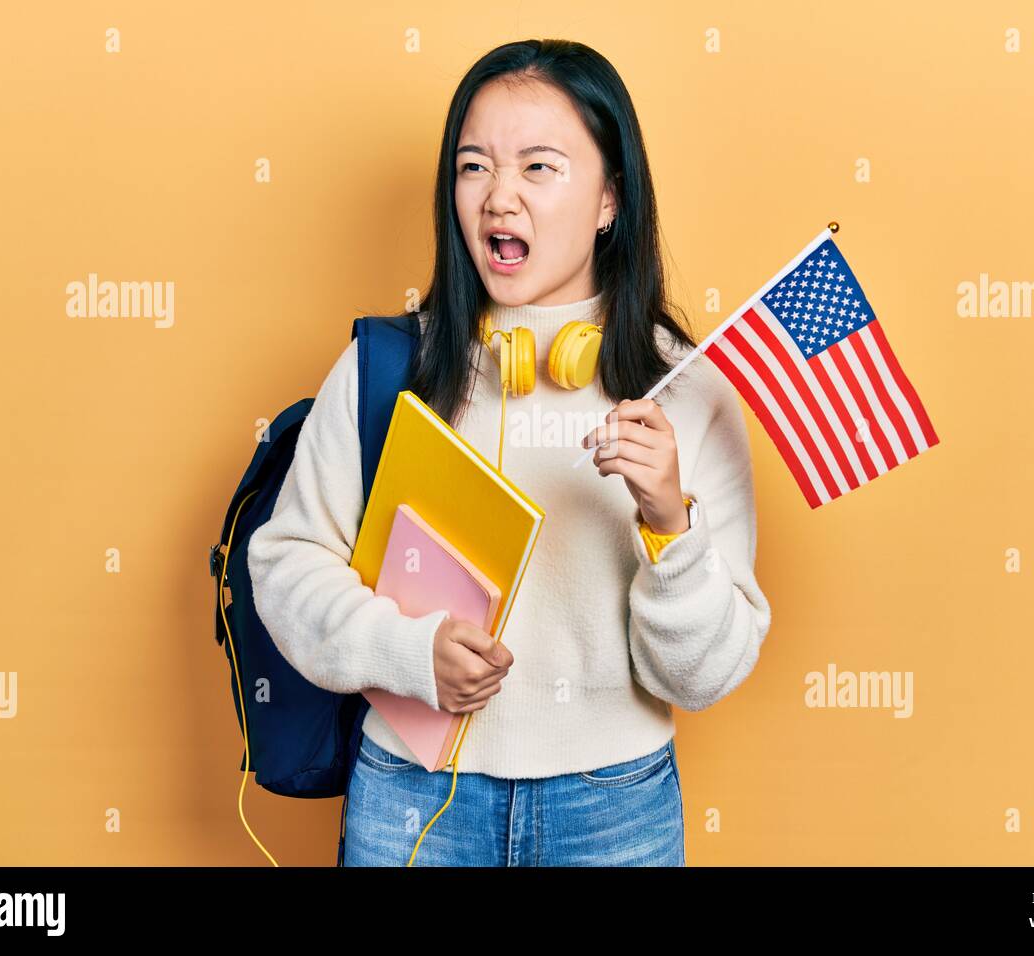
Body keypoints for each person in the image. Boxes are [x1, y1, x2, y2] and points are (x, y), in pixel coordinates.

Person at [247, 38, 772, 867]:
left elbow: (702, 676)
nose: (499, 198)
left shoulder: (686, 390)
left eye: (538, 168)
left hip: (614, 810)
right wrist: (407, 654)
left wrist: (671, 525)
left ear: (609, 201)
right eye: (474, 166)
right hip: (411, 792)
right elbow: (283, 566)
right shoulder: (390, 368)